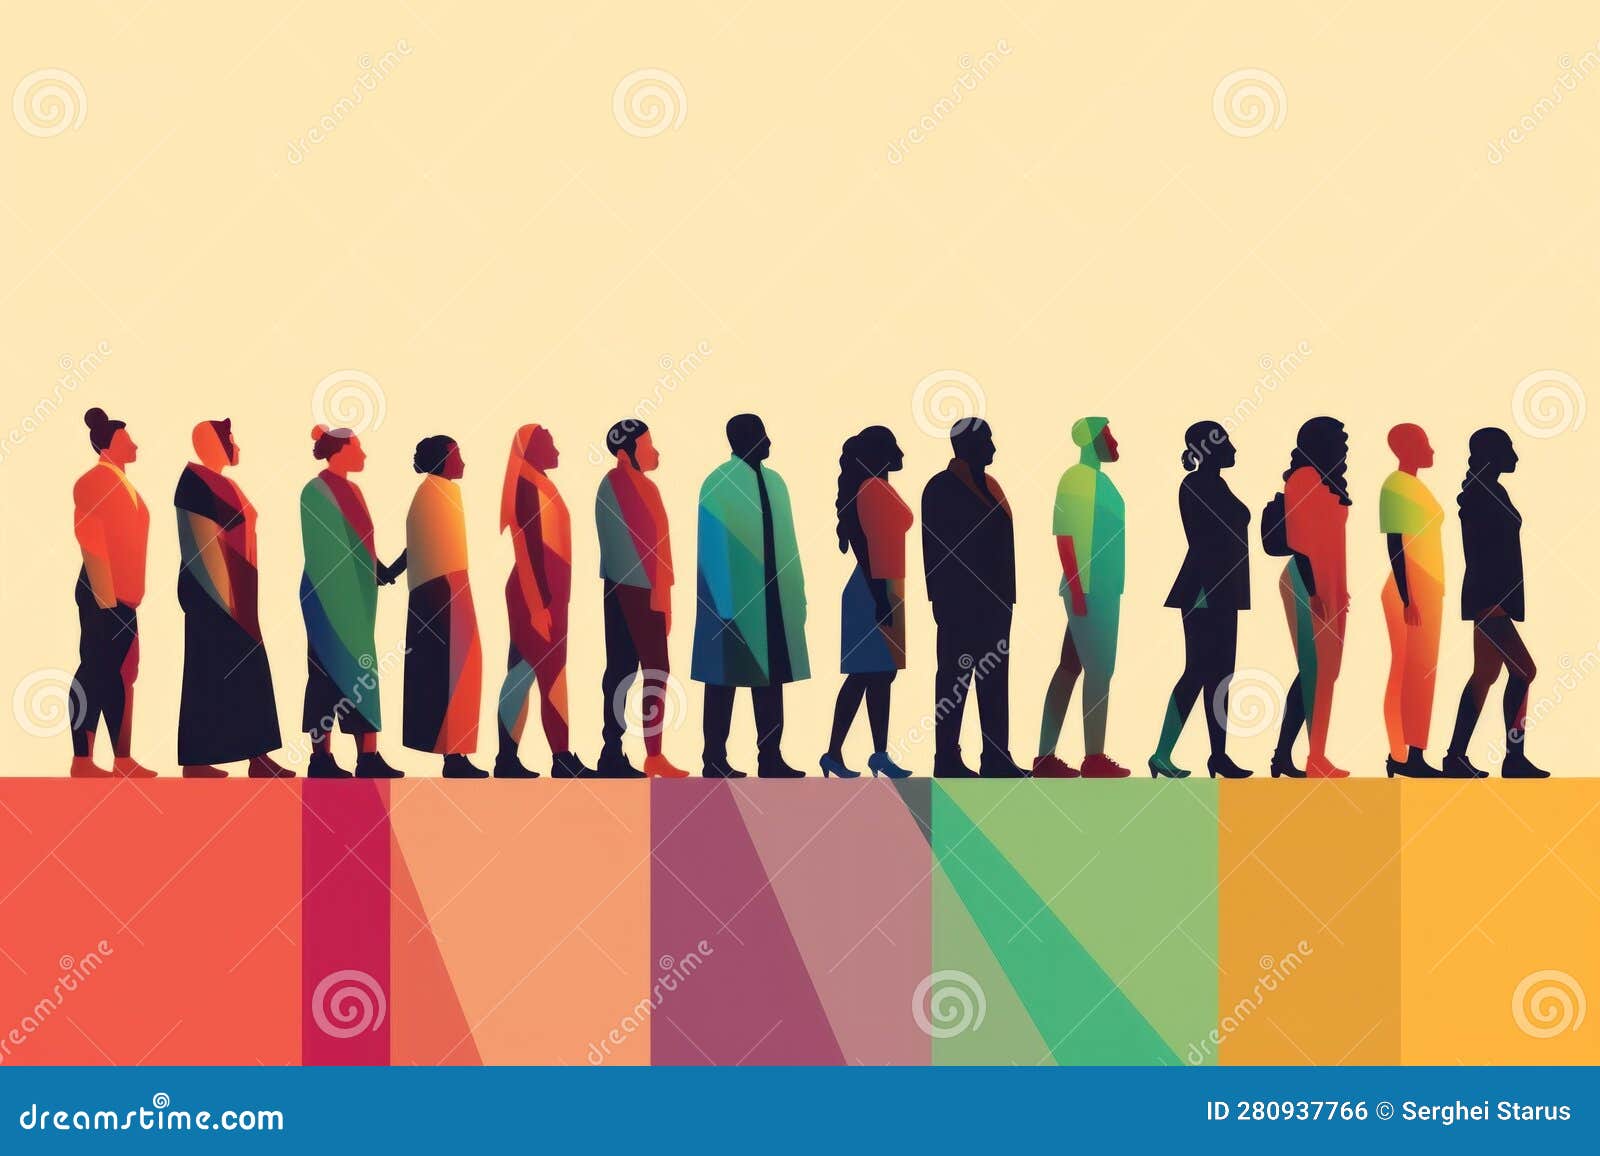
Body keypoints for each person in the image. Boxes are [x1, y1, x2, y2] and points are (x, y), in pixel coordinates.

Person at [692, 414, 808, 778]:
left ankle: (770, 757)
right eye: (762, 434)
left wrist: (797, 592)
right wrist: (724, 605)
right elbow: (710, 547)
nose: (769, 441)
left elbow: (790, 542)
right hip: (731, 603)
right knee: (723, 680)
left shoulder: (776, 483)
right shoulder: (717, 483)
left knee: (772, 681)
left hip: (774, 597)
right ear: (744, 439)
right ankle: (713, 759)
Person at [174, 419, 292, 778]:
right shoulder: (194, 482)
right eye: (230, 440)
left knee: (234, 672)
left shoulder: (223, 483)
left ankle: (253, 756)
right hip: (213, 593)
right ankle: (206, 760)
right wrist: (222, 596)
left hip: (237, 592)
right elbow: (197, 541)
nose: (236, 445)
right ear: (215, 444)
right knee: (207, 672)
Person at [1442, 428, 1551, 779]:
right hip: (1489, 600)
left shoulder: (1487, 490)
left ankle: (1456, 757)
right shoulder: (1480, 494)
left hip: (1490, 599)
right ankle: (1513, 758)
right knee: (1525, 671)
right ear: (1493, 454)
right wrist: (1492, 601)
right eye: (1509, 449)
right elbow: (1480, 553)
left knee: (1484, 676)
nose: (1515, 456)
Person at [921, 418, 1025, 777]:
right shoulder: (939, 487)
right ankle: (946, 759)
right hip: (959, 604)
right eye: (988, 441)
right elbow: (933, 547)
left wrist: (1008, 596)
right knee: (954, 679)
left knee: (995, 679)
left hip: (997, 602)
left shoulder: (992, 485)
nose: (994, 448)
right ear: (967, 446)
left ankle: (996, 757)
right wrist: (940, 600)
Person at [298, 425, 404, 779]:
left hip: (359, 601)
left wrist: (380, 570)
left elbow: (360, 546)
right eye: (358, 448)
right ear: (340, 451)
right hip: (328, 601)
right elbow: (323, 551)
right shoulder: (315, 491)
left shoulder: (354, 490)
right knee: (325, 674)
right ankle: (321, 758)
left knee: (363, 672)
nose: (364, 455)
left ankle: (367, 756)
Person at [1148, 421, 1253, 779]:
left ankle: (1218, 756)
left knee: (1221, 676)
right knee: (1198, 672)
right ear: (1209, 447)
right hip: (1206, 592)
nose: (1234, 448)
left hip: (1223, 592)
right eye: (1226, 442)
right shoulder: (1196, 485)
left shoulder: (1215, 484)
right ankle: (1162, 754)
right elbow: (1207, 541)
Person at [495, 424, 601, 779]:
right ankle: (558, 757)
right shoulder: (527, 488)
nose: (557, 449)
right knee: (542, 675)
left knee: (524, 674)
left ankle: (512, 759)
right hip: (535, 596)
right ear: (533, 451)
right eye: (550, 444)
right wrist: (538, 605)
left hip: (548, 595)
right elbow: (526, 551)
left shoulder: (538, 483)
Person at [1035, 417, 1129, 779]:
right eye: (1108, 434)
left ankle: (1046, 757)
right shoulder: (1075, 479)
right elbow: (1065, 536)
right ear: (1092, 440)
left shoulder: (1100, 481)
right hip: (1090, 590)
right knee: (1100, 670)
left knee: (1070, 667)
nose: (1114, 440)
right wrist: (1076, 588)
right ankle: (1094, 758)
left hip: (1102, 588)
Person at [820, 426, 914, 780]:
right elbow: (865, 545)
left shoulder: (879, 486)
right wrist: (879, 597)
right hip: (873, 588)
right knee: (865, 674)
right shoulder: (872, 489)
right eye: (894, 446)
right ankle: (836, 752)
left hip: (886, 585)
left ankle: (875, 752)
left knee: (879, 676)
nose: (901, 453)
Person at [68, 407, 157, 778]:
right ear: (108, 445)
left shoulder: (125, 484)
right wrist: (106, 597)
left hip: (125, 595)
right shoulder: (92, 481)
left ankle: (122, 759)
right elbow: (90, 537)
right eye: (126, 440)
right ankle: (82, 760)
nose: (134, 444)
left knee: (121, 673)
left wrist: (129, 594)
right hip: (101, 591)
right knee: (93, 670)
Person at [595, 419, 686, 778]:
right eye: (646, 446)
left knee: (625, 670)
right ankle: (638, 753)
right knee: (649, 670)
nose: (654, 452)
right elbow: (643, 547)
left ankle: (620, 751)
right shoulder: (620, 483)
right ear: (624, 453)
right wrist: (658, 596)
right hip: (636, 589)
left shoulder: (635, 484)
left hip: (635, 588)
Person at [1271, 417, 1352, 779]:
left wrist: (1339, 588)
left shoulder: (1327, 481)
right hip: (1306, 584)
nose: (1345, 447)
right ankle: (1309, 757)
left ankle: (1302, 755)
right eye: (1340, 440)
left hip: (1330, 587)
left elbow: (1331, 543)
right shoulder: (1303, 479)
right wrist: (1316, 592)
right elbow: (1300, 541)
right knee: (1315, 671)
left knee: (1324, 674)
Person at [402, 435, 487, 778]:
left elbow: (418, 543)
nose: (463, 462)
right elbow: (427, 543)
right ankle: (454, 756)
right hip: (446, 589)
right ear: (443, 459)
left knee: (451, 669)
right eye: (457, 455)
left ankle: (454, 752)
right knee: (456, 669)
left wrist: (393, 571)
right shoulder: (441, 492)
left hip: (436, 588)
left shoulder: (429, 493)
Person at [1379, 424, 1445, 778]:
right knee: (1410, 673)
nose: (1432, 450)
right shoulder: (1395, 486)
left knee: (1419, 673)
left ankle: (1405, 755)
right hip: (1411, 590)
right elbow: (1394, 542)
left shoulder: (1415, 485)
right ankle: (1406, 756)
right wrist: (1408, 598)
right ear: (1407, 448)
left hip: (1428, 588)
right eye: (1425, 443)